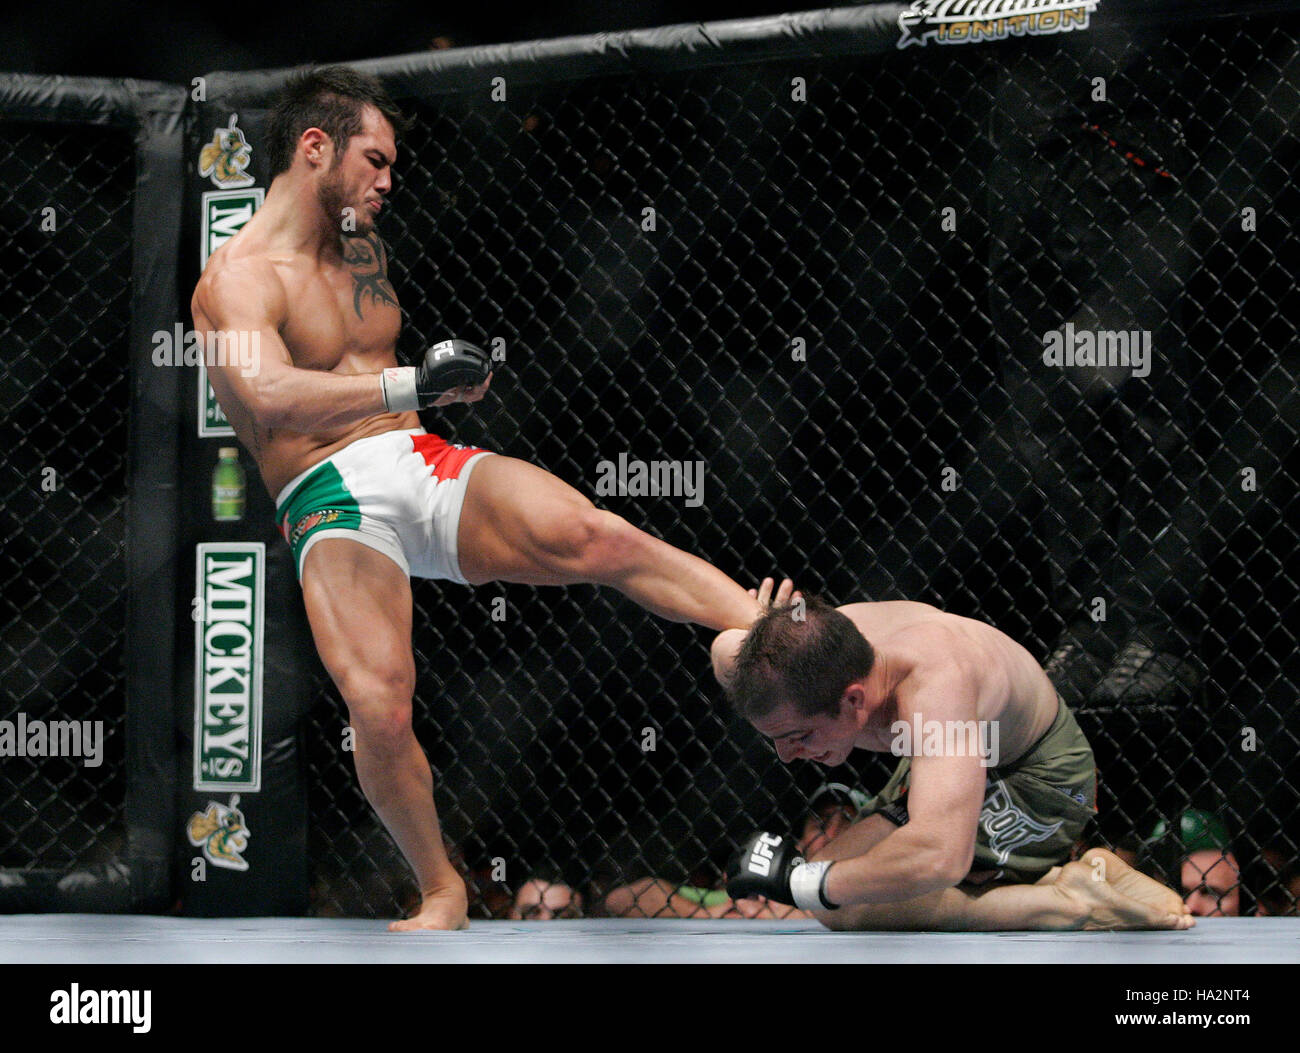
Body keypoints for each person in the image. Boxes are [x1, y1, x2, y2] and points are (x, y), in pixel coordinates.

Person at [191, 65, 761, 931]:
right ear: (316, 148)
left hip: (416, 455)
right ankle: (442, 886)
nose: (389, 182)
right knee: (379, 700)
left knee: (593, 533)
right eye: (374, 161)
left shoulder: (363, 248)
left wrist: (434, 390)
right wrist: (409, 381)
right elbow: (267, 394)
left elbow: (386, 376)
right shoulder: (235, 278)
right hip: (328, 493)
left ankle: (765, 633)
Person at [712, 579, 1192, 931]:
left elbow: (940, 857)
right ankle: (1075, 874)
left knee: (851, 905)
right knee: (836, 892)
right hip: (958, 756)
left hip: (1037, 771)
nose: (788, 756)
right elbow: (715, 634)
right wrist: (766, 627)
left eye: (798, 734)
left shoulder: (937, 681)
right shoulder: (810, 649)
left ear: (854, 699)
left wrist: (800, 881)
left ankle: (1063, 902)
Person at [601, 783, 867, 919]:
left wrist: (785, 914)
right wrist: (713, 913)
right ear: (800, 841)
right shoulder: (761, 884)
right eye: (820, 823)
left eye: (846, 823)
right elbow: (624, 898)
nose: (831, 835)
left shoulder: (871, 893)